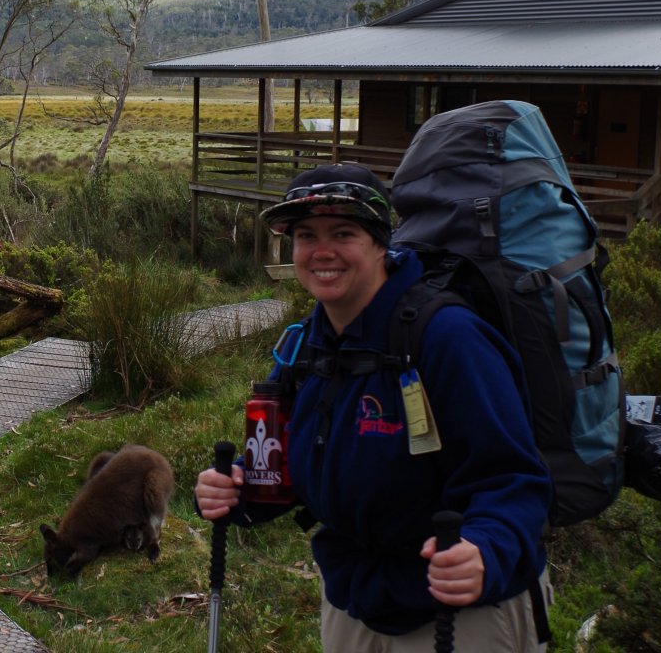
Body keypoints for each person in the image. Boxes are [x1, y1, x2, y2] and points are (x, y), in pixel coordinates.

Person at [194, 163, 552, 652]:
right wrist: (234, 489)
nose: (322, 252)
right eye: (305, 235)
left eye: (344, 232)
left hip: (459, 610)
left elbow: (515, 478)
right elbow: (288, 460)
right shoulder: (307, 344)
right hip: (354, 598)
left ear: (381, 242)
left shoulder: (447, 337)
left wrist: (486, 551)